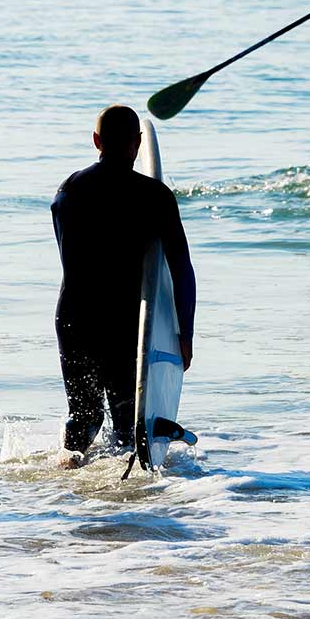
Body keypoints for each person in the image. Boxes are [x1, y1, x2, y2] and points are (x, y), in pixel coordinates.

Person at [51, 105, 196, 468]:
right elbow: (181, 268)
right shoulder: (154, 197)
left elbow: (71, 259)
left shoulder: (68, 192)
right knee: (126, 424)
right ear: (138, 143)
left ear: (96, 141)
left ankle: (67, 475)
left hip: (74, 317)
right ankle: (126, 497)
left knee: (83, 416)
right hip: (124, 321)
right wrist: (184, 333)